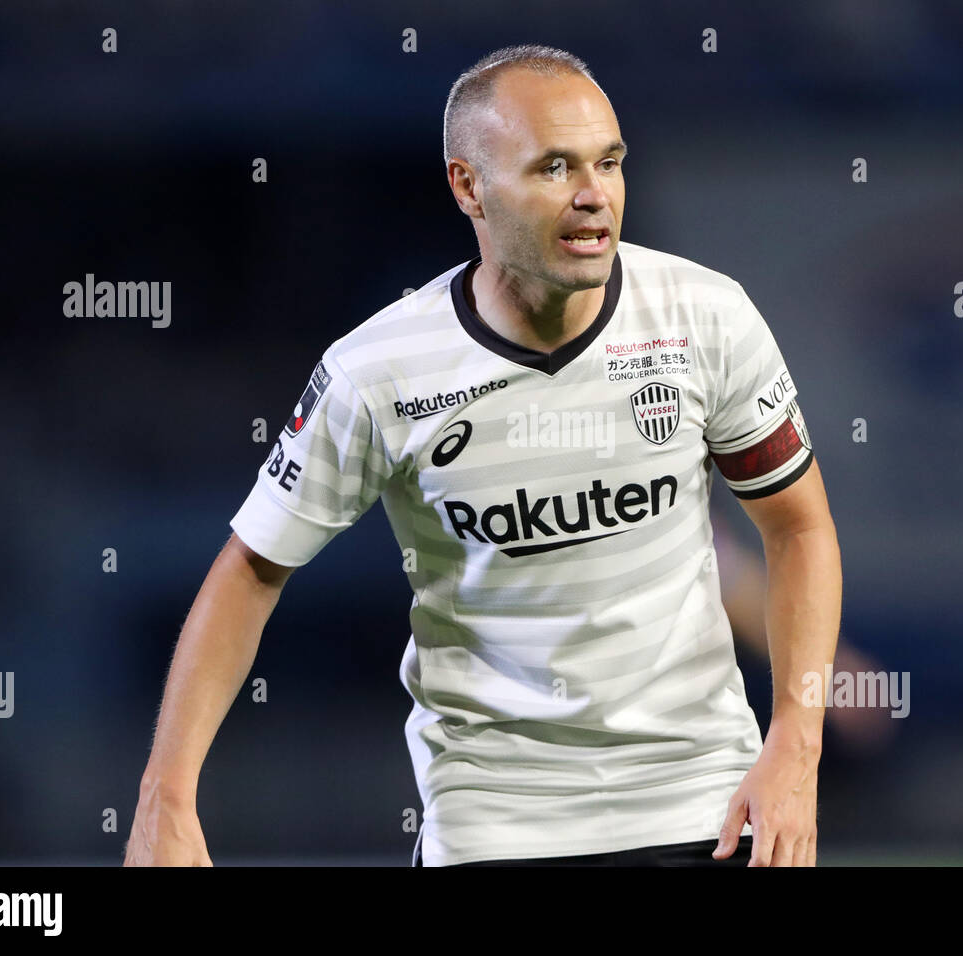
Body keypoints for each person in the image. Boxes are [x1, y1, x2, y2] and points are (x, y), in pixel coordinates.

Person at [124, 43, 841, 868]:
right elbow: (251, 571)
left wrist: (797, 742)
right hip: (493, 827)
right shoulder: (380, 371)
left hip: (704, 809)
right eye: (553, 169)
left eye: (609, 163)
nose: (592, 196)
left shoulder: (706, 317)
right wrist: (165, 795)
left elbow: (800, 531)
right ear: (469, 186)